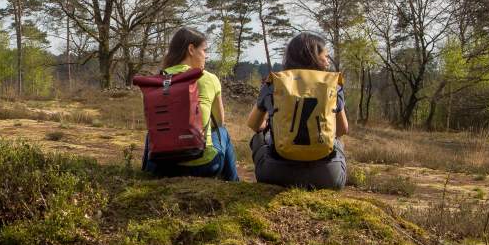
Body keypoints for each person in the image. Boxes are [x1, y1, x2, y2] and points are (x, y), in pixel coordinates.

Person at [245, 32, 350, 189]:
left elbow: (254, 125)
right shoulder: (333, 84)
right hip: (327, 178)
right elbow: (342, 129)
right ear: (313, 56)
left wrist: (270, 126)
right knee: (337, 142)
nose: (328, 62)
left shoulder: (274, 82)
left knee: (258, 137)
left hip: (275, 175)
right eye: (325, 56)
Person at [142, 27, 240, 181]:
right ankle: (234, 184)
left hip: (163, 166)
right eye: (204, 50)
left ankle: (146, 174)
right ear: (191, 49)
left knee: (154, 131)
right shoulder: (209, 78)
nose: (206, 56)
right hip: (204, 165)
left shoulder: (160, 81)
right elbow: (220, 121)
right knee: (223, 132)